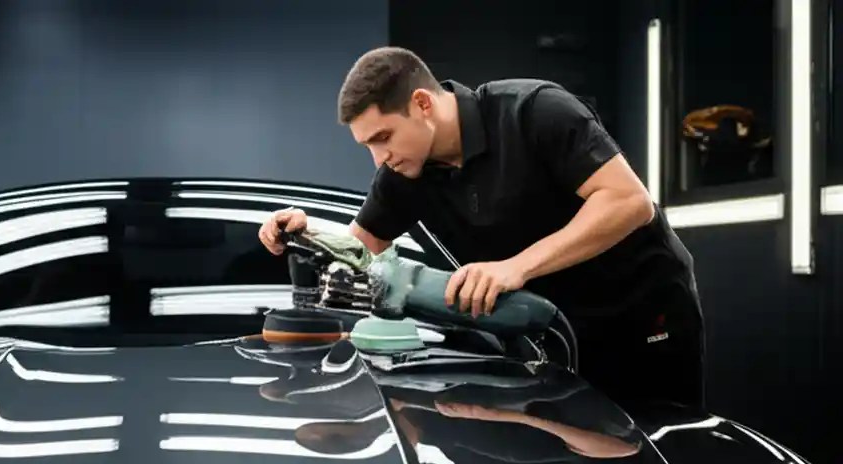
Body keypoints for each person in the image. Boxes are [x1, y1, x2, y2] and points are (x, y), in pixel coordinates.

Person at [257, 47, 705, 411]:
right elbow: (358, 250)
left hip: (639, 315)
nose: (379, 158)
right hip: (553, 328)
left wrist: (516, 267)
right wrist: (306, 233)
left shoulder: (535, 111)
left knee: (652, 463)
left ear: (422, 104)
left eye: (383, 137)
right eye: (368, 145)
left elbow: (629, 202)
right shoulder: (404, 173)